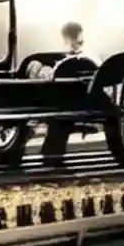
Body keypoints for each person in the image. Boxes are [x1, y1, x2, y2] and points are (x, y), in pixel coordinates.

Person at [38, 21, 100, 164]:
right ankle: (52, 157)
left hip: (61, 101)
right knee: (60, 129)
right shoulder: (86, 56)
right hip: (80, 100)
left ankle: (51, 157)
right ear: (79, 35)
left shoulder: (60, 56)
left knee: (58, 128)